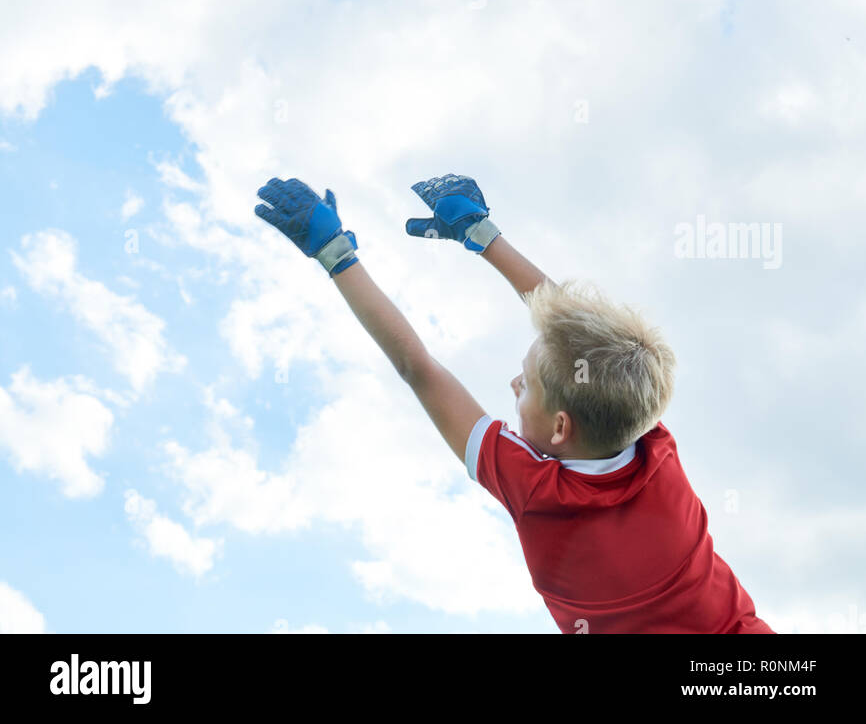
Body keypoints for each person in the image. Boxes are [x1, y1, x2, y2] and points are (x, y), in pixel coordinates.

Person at [255, 172, 774, 635]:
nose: (513, 384)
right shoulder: (655, 453)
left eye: (525, 385)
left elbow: (419, 370)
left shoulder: (540, 490)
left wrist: (337, 256)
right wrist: (482, 236)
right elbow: (575, 332)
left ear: (560, 428)